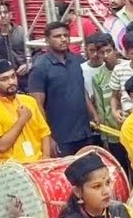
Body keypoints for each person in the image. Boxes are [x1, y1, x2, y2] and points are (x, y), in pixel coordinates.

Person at [29, 22, 95, 155]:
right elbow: (37, 105)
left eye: (66, 35)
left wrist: (93, 113)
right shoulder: (40, 67)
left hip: (84, 132)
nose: (63, 39)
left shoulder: (78, 61)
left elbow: (82, 90)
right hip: (60, 136)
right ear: (47, 40)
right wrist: (48, 137)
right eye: (57, 36)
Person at [0, 59, 54, 165]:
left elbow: (44, 132)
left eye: (13, 76)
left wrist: (46, 158)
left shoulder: (29, 101)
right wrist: (22, 120)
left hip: (39, 164)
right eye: (4, 79)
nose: (11, 82)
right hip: (13, 170)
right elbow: (1, 146)